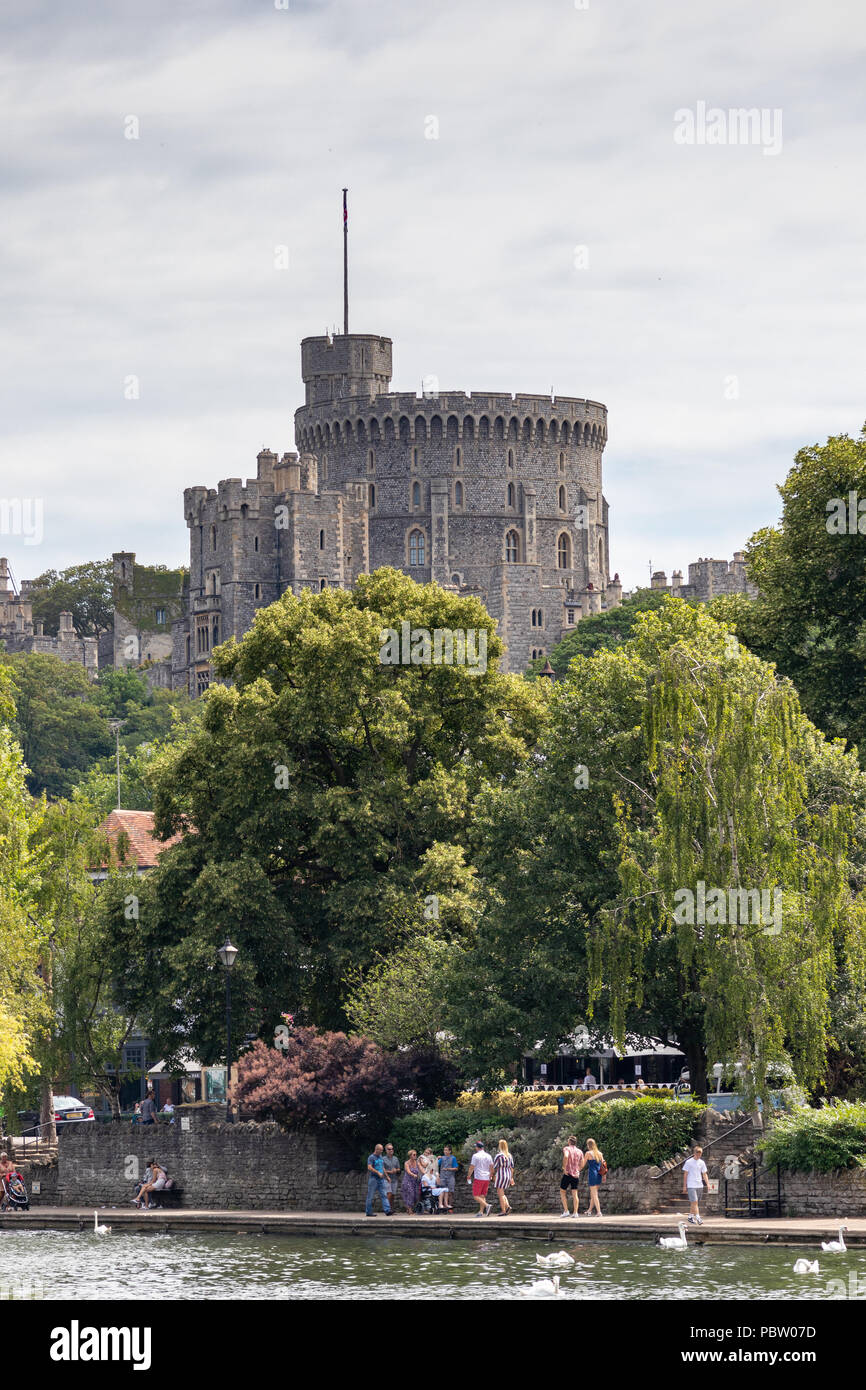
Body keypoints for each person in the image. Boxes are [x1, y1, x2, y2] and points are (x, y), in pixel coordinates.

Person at [682, 1145, 709, 1225]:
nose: (699, 1155)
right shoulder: (688, 1162)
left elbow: (704, 1174)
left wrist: (707, 1184)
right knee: (695, 1202)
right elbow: (685, 1174)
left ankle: (690, 1217)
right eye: (697, 1154)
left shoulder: (702, 1162)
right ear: (694, 1153)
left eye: (700, 1154)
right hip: (691, 1185)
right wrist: (684, 1186)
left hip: (699, 1185)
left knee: (695, 1203)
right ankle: (698, 1218)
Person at [559, 1134, 584, 1217]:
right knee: (574, 1193)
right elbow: (582, 1163)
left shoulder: (566, 1148)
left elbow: (566, 1156)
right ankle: (575, 1212)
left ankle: (566, 1211)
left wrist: (564, 1167)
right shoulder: (579, 1151)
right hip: (575, 1175)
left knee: (562, 1191)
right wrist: (578, 1169)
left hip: (567, 1173)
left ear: (569, 1142)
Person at [364, 1143, 392, 1216]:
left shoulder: (380, 1156)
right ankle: (369, 1212)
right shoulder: (371, 1157)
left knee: (384, 1195)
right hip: (373, 1179)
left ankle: (387, 1211)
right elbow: (369, 1167)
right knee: (370, 1195)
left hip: (381, 1179)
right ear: (376, 1149)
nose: (381, 1152)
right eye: (380, 1150)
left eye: (382, 1150)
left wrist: (387, 1177)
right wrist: (377, 1172)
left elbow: (382, 1167)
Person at [467, 1140, 493, 1217]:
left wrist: (468, 1175)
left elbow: (472, 1167)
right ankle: (481, 1212)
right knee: (482, 1195)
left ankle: (487, 1205)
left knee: (476, 1196)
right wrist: (491, 1175)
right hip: (486, 1178)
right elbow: (491, 1167)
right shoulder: (488, 1156)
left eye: (475, 1146)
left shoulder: (475, 1156)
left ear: (477, 1147)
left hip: (479, 1177)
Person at [584, 1138, 605, 1216]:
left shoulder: (588, 1153)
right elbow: (604, 1165)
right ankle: (589, 1210)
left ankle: (599, 1212)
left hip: (592, 1174)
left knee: (594, 1194)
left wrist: (578, 1169)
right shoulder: (600, 1153)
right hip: (599, 1174)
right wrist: (604, 1175)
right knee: (593, 1193)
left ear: (588, 1145)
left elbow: (583, 1163)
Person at [492, 1138, 514, 1214]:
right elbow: (512, 1168)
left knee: (500, 1193)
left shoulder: (499, 1156)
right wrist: (511, 1178)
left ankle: (503, 1210)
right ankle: (507, 1206)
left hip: (501, 1175)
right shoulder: (509, 1155)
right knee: (502, 1192)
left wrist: (492, 1175)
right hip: (508, 1174)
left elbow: (494, 1167)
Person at [439, 1143, 459, 1212]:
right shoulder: (442, 1158)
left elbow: (456, 1168)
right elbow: (436, 1164)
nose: (445, 1151)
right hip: (442, 1177)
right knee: (442, 1192)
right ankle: (443, 1207)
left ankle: (450, 1208)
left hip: (450, 1177)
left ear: (450, 1151)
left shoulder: (453, 1158)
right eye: (444, 1150)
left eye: (446, 1150)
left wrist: (448, 1169)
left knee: (450, 1192)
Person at [382, 1143, 400, 1210]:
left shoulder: (396, 1158)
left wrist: (396, 1170)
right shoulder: (383, 1159)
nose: (391, 1150)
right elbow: (382, 1170)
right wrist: (390, 1172)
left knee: (393, 1195)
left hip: (394, 1179)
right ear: (386, 1150)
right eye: (389, 1149)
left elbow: (399, 1169)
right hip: (386, 1179)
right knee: (389, 1194)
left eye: (392, 1149)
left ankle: (392, 1209)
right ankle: (387, 1209)